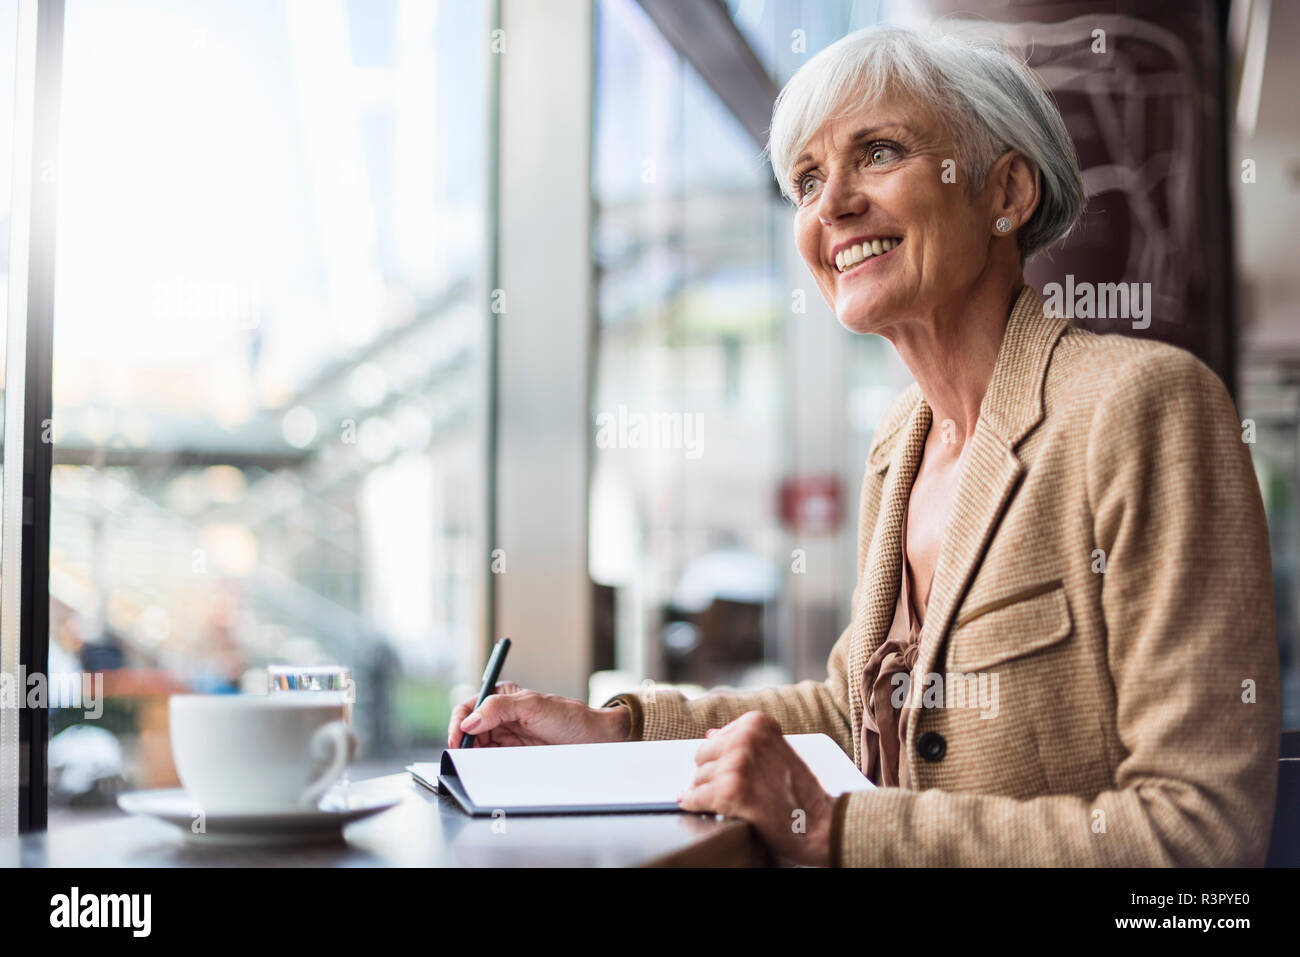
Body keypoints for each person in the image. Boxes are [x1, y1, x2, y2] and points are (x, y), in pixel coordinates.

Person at [448, 25, 1280, 867]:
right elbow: (858, 713)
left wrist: (839, 827)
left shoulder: (1143, 407)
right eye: (806, 179)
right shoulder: (900, 443)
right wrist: (618, 729)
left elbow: (1201, 828)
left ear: (1008, 192)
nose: (831, 204)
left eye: (878, 153)